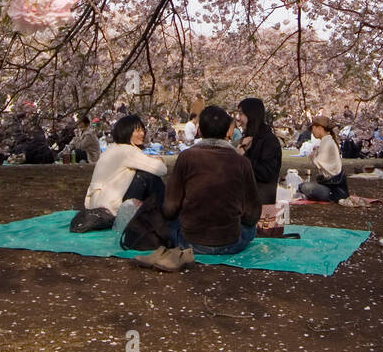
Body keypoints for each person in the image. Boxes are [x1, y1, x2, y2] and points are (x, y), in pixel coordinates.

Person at [159, 106, 260, 256]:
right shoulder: (241, 161)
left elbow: (170, 207)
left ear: (199, 130)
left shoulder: (187, 157)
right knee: (250, 229)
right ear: (227, 131)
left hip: (190, 242)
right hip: (231, 242)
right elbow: (252, 212)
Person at [83, 115, 168, 216]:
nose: (142, 134)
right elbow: (161, 169)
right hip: (109, 207)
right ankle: (165, 212)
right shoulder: (127, 151)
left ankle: (158, 212)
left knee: (143, 174)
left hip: (97, 203)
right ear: (126, 132)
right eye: (137, 131)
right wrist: (160, 159)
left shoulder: (114, 148)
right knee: (147, 176)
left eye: (142, 130)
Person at [237, 97, 283, 205]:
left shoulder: (269, 141)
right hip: (244, 196)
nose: (238, 118)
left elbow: (266, 173)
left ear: (251, 115)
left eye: (241, 114)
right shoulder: (248, 139)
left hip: (260, 201)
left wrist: (244, 156)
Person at [300, 115, 350, 201]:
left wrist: (313, 156)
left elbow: (319, 162)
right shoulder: (327, 140)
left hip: (334, 189)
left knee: (304, 187)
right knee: (305, 186)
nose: (312, 131)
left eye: (313, 128)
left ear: (319, 128)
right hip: (331, 184)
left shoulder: (327, 142)